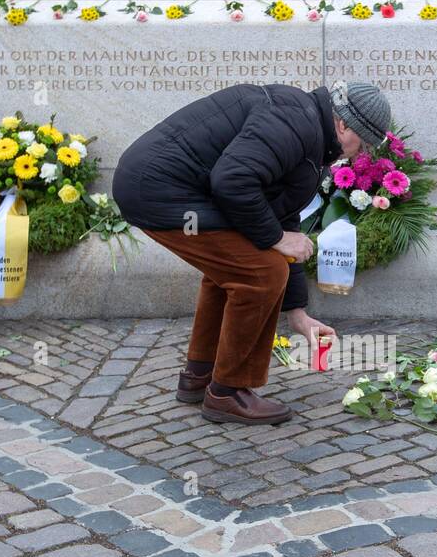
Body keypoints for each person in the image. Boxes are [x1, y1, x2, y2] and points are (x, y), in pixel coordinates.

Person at [112, 81, 392, 426]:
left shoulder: (309, 130)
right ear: (344, 124)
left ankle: (200, 375)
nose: (359, 153)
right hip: (158, 189)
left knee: (235, 267)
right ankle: (228, 393)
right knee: (260, 273)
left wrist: (298, 313)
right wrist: (275, 238)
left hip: (160, 184)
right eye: (362, 144)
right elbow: (233, 181)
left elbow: (280, 213)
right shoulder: (295, 124)